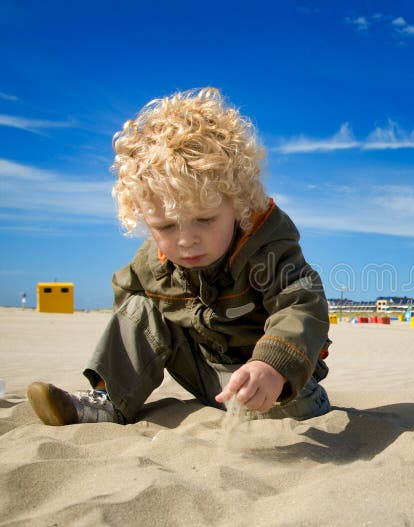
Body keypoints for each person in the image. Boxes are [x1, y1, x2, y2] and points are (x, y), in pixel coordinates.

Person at [27, 87, 331, 425]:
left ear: (240, 203)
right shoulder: (152, 266)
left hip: (276, 386)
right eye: (167, 226)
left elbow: (302, 302)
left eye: (204, 219)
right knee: (140, 308)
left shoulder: (268, 248)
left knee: (295, 409)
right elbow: (127, 308)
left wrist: (272, 365)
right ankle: (108, 399)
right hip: (204, 375)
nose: (186, 241)